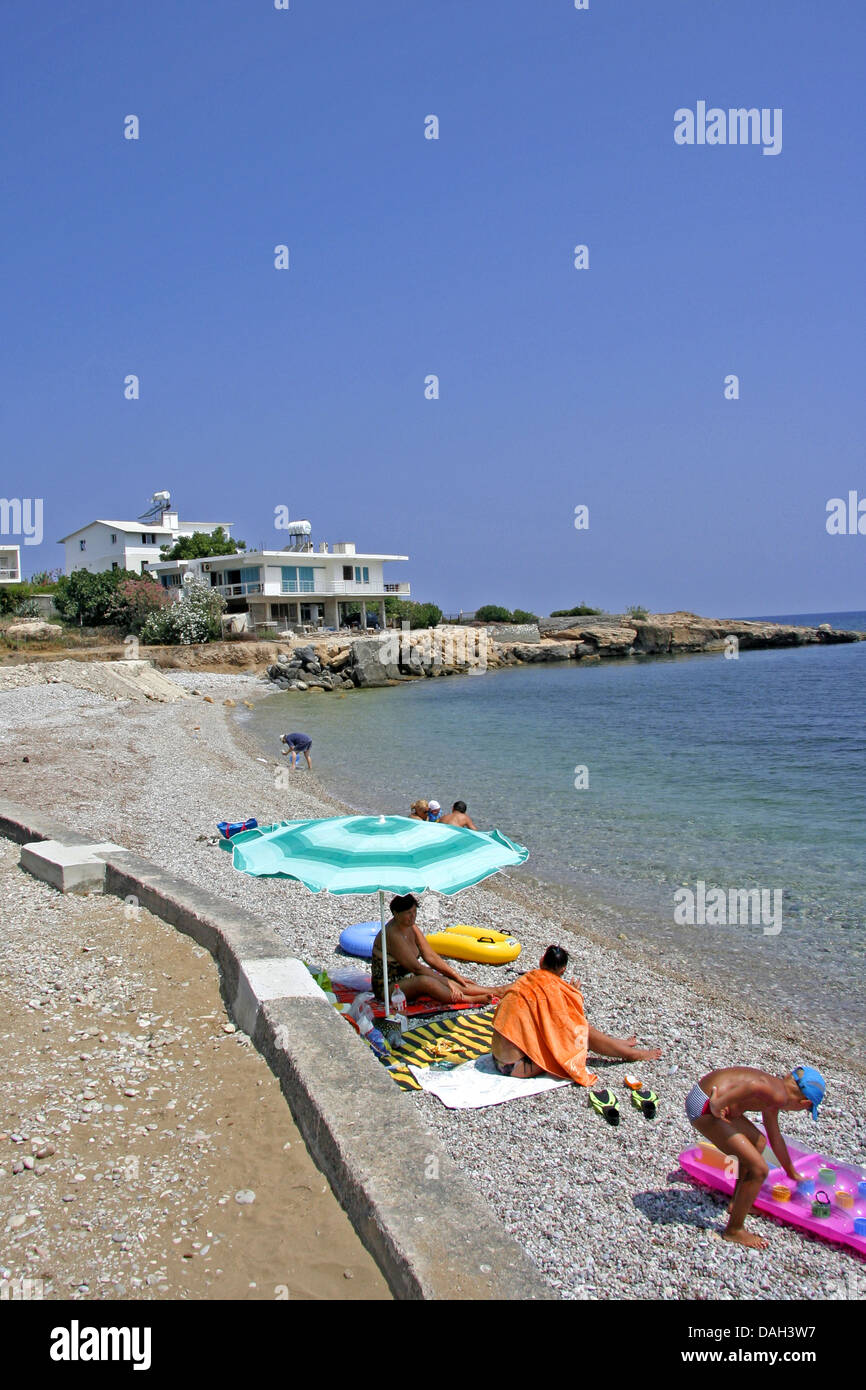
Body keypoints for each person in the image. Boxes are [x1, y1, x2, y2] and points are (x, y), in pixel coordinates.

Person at [685, 1064, 825, 1250]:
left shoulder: (775, 1094)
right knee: (759, 1169)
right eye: (807, 1110)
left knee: (758, 1142)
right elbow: (755, 1085)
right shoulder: (778, 1095)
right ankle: (734, 1230)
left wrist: (792, 1172)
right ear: (804, 1104)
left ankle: (737, 1203)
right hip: (704, 1104)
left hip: (704, 1096)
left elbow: (774, 1138)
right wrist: (719, 1103)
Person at [491, 945, 662, 1082]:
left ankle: (617, 1044)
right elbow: (572, 1022)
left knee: (571, 1028)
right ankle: (631, 1054)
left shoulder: (526, 979)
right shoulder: (554, 988)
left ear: (541, 961)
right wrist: (571, 993)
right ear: (563, 970)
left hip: (497, 1057)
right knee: (581, 1031)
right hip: (516, 1066)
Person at [371, 894, 497, 1006]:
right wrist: (447, 983)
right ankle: (468, 999)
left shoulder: (411, 926)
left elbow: (430, 955)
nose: (413, 916)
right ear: (396, 913)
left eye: (415, 911)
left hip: (408, 977)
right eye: (409, 913)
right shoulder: (392, 934)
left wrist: (454, 975)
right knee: (427, 981)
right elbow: (416, 968)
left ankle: (494, 990)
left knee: (451, 980)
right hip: (388, 987)